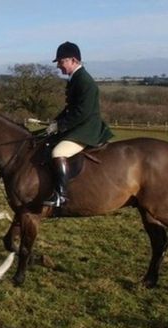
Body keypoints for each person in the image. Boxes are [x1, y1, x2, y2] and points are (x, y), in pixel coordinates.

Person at [43, 41, 113, 207]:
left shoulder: (84, 81)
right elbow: (71, 107)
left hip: (86, 129)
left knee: (58, 153)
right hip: (78, 125)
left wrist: (60, 126)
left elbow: (82, 113)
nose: (59, 66)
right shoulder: (75, 78)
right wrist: (56, 121)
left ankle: (61, 195)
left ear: (73, 60)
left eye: (61, 61)